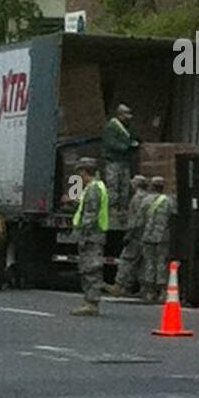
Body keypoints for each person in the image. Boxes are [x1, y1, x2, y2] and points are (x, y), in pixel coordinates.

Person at [71, 158, 109, 317]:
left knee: (90, 269)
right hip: (94, 235)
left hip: (91, 236)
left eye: (80, 172)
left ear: (84, 172)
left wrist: (82, 235)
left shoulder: (93, 189)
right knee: (88, 268)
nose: (80, 176)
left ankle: (91, 303)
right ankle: (89, 301)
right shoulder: (95, 187)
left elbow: (90, 215)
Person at [112, 174, 150, 297]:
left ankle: (119, 286)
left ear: (136, 185)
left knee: (126, 260)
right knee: (142, 262)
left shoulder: (136, 198)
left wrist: (129, 234)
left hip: (136, 235)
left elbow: (135, 219)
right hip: (146, 234)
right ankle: (144, 289)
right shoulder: (148, 197)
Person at [139, 175, 172, 303]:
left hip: (148, 236)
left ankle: (149, 292)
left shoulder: (146, 200)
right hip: (163, 237)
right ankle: (163, 292)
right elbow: (173, 218)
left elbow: (140, 219)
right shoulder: (168, 201)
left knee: (149, 263)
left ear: (152, 186)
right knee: (162, 263)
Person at [102, 104, 139, 216]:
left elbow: (132, 138)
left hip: (124, 161)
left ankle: (123, 207)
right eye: (126, 115)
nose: (128, 118)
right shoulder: (112, 127)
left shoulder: (126, 128)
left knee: (125, 185)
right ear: (120, 115)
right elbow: (111, 143)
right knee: (113, 185)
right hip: (114, 161)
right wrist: (126, 147)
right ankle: (113, 208)